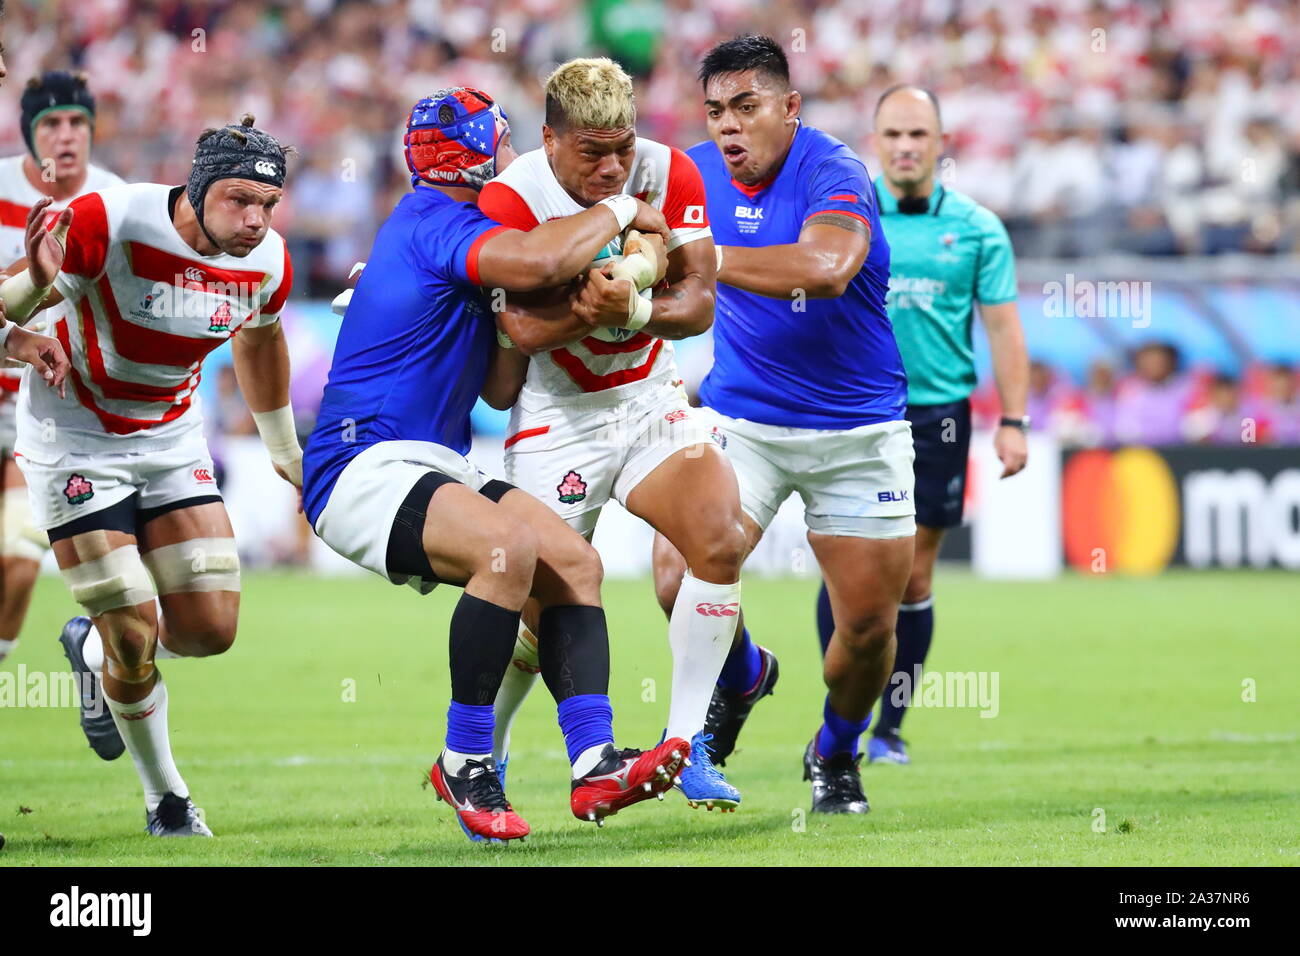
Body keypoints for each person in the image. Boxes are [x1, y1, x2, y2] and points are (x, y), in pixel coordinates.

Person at [302, 88, 689, 842]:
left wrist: (572, 309)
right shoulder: (440, 221)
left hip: (427, 460)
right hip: (364, 460)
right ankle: (466, 759)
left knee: (574, 562)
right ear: (484, 151)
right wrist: (622, 212)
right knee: (507, 552)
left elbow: (497, 384)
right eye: (505, 142)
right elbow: (544, 254)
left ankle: (596, 762)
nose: (515, 159)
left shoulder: (439, 230)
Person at [8, 114, 297, 837]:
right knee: (137, 637)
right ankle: (167, 799)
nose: (255, 220)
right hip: (74, 442)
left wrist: (286, 451)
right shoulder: (111, 220)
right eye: (239, 201)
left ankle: (90, 646)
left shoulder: (268, 263)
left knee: (210, 630)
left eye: (267, 205)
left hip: (170, 443)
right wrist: (32, 296)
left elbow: (260, 344)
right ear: (196, 191)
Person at [476, 57, 746, 811]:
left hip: (647, 394)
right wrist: (594, 307)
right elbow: (519, 327)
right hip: (558, 413)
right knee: (537, 604)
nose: (612, 166)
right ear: (549, 140)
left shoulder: (671, 171)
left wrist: (632, 311)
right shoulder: (509, 196)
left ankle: (688, 746)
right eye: (591, 151)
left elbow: (696, 304)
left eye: (621, 147)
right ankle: (483, 755)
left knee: (719, 538)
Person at [653, 35, 914, 814]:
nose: (729, 127)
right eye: (716, 111)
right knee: (675, 576)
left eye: (747, 106)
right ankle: (742, 677)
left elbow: (827, 269)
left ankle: (835, 750)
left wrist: (705, 257)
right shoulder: (689, 171)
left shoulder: (835, 171)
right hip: (743, 419)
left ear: (790, 108)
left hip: (856, 432)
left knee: (865, 634)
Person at [814, 85, 1029, 764]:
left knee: (912, 577)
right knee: (848, 575)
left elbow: (1003, 328)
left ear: (941, 143)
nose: (906, 147)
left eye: (918, 135)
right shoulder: (843, 219)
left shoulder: (975, 227)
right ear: (875, 142)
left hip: (938, 415)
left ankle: (888, 728)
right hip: (854, 407)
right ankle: (839, 724)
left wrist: (1015, 419)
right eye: (893, 134)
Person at [0, 71, 124, 666]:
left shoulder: (116, 201)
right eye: (51, 123)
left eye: (78, 122)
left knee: (19, 562)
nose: (66, 135)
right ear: (29, 133)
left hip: (45, 415)